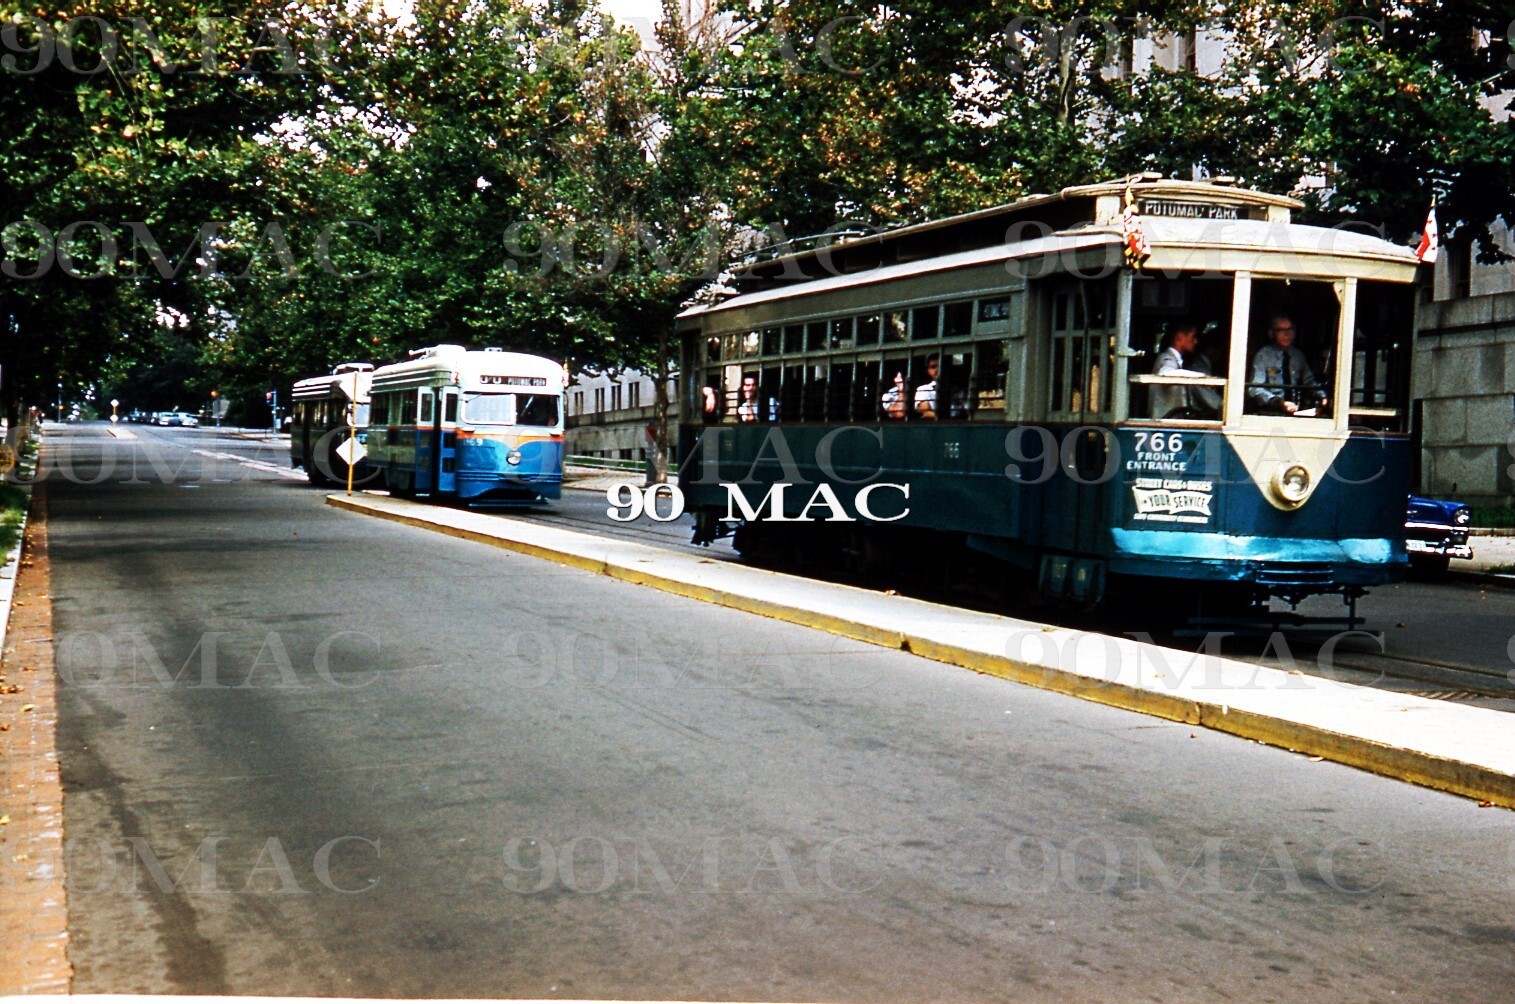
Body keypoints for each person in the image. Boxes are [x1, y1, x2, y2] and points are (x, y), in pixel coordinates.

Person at [1247, 313, 1327, 415]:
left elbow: (1309, 381)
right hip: (1269, 412)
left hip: (1295, 411)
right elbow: (1255, 388)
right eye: (1282, 330)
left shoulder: (1298, 356)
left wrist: (1322, 396)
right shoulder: (1263, 356)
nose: (1288, 334)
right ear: (1271, 333)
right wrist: (1278, 403)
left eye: (1291, 329)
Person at [1149, 320, 1205, 418]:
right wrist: (1199, 376)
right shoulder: (1167, 358)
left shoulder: (1175, 360)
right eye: (1193, 337)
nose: (1196, 342)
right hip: (1163, 423)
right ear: (1180, 337)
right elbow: (1166, 373)